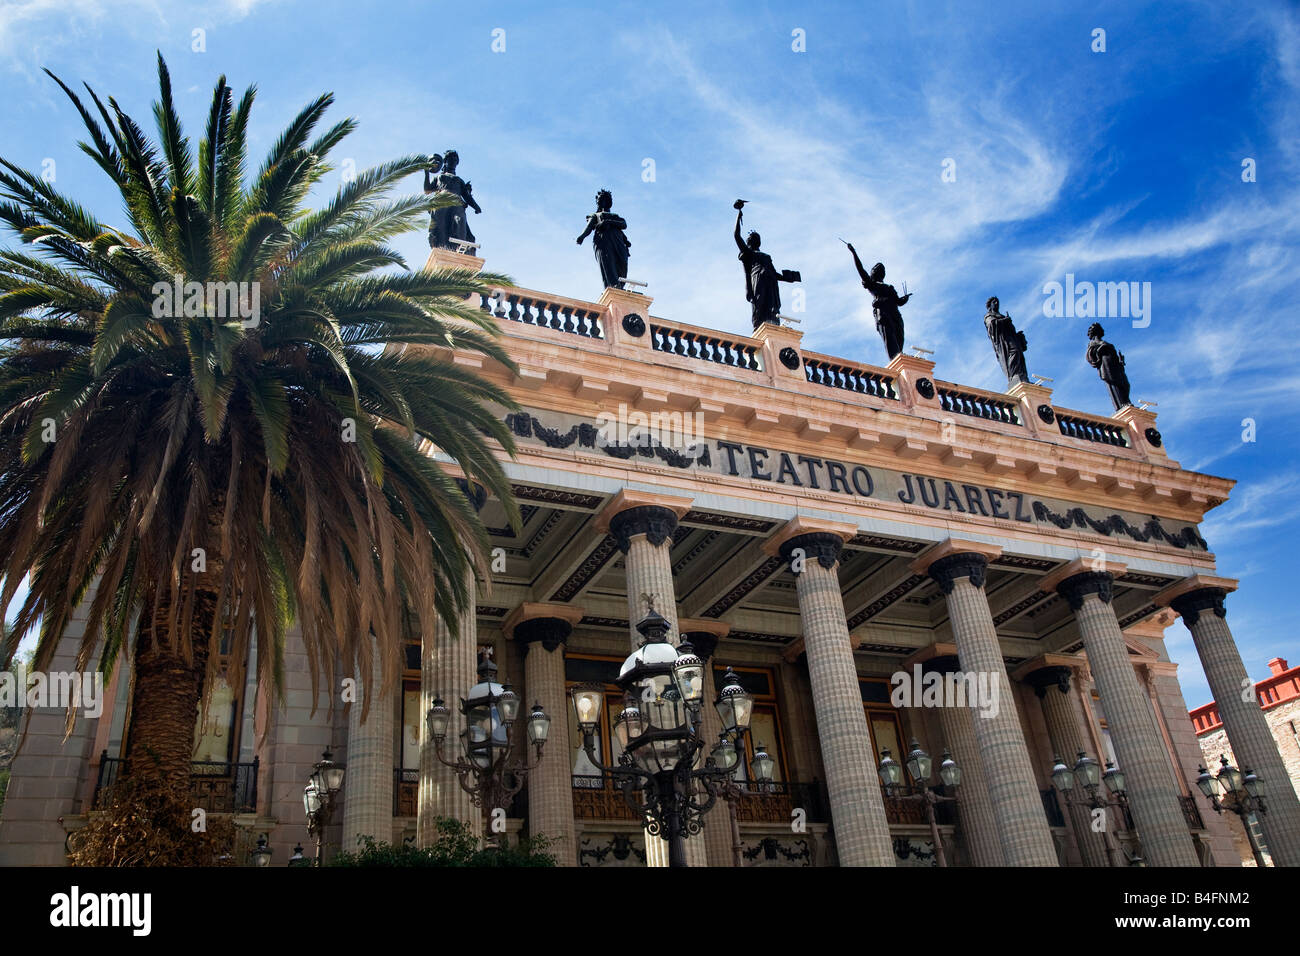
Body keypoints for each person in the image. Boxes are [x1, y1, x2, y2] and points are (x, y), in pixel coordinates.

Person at [733, 201, 799, 329]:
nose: (754, 240)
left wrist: (788, 278)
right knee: (760, 304)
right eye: (752, 238)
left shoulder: (766, 256)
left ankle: (773, 324)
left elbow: (774, 273)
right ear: (749, 242)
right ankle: (759, 326)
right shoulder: (749, 253)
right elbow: (736, 235)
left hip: (770, 281)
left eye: (756, 238)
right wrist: (738, 217)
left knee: (772, 305)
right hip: (758, 279)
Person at [846, 243, 910, 360]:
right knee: (889, 337)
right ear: (872, 273)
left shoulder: (889, 287)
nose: (879, 268)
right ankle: (896, 359)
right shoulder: (872, 284)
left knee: (899, 337)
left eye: (881, 268)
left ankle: (900, 358)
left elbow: (898, 302)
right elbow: (860, 269)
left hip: (895, 314)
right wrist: (854, 252)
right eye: (876, 268)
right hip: (883, 315)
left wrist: (905, 299)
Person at [424, 149, 481, 250]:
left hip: (456, 203)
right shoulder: (439, 177)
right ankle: (439, 246)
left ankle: (460, 248)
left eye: (455, 160)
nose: (453, 161)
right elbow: (427, 189)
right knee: (440, 227)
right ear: (445, 161)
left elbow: (467, 197)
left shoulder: (459, 180)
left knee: (460, 221)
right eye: (451, 159)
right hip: (442, 201)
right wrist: (427, 172)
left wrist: (476, 207)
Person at [576, 189, 631, 289]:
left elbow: (624, 224)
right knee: (608, 262)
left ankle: (619, 285)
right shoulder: (595, 215)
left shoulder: (615, 216)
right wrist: (582, 236)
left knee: (622, 262)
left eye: (605, 199)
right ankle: (613, 285)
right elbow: (589, 227)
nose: (602, 202)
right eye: (600, 200)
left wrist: (607, 222)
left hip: (618, 240)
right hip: (603, 241)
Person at [984, 296, 1030, 386]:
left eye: (997, 302)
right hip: (1004, 341)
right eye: (994, 302)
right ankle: (1014, 375)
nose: (997, 303)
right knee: (1014, 352)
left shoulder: (1003, 316)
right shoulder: (989, 316)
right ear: (990, 305)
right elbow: (992, 325)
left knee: (1019, 355)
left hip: (1012, 338)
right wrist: (1005, 320)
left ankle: (1021, 374)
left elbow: (1011, 329)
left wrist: (1019, 336)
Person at [1085, 322, 1132, 410]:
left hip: (1115, 366)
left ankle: (1126, 401)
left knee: (1126, 384)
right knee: (1115, 384)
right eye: (1101, 329)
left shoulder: (1103, 342)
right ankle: (1122, 404)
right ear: (1097, 331)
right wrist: (1100, 349)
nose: (1103, 330)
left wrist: (1121, 361)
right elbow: (1090, 356)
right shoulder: (1093, 343)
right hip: (1107, 367)